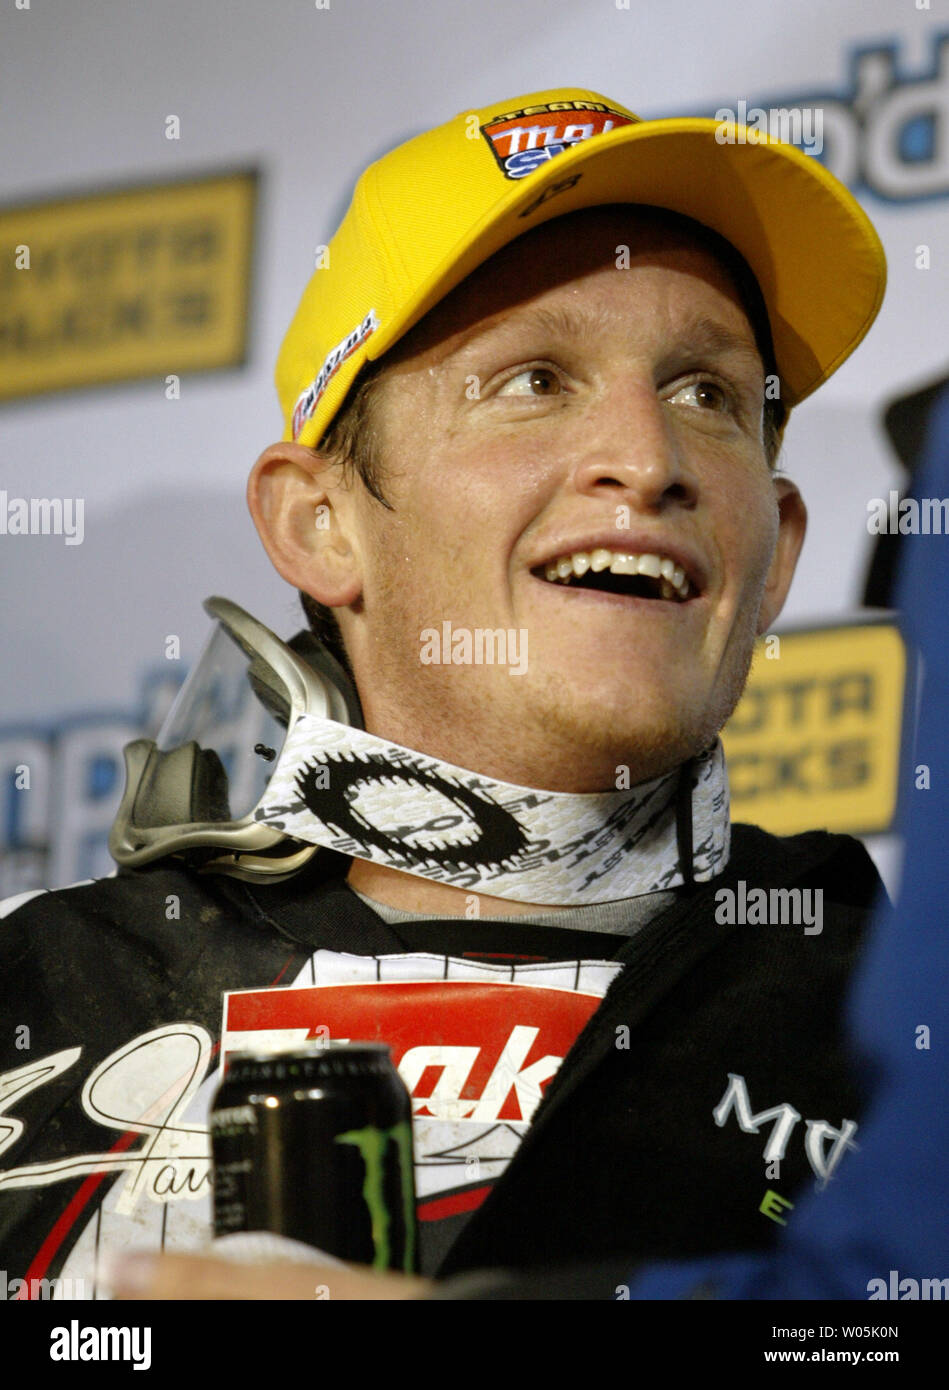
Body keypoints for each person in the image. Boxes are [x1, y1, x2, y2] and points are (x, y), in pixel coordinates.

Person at [0, 86, 888, 1301]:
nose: (649, 457)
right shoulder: (43, 985)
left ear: (776, 550)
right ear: (320, 525)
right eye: (532, 378)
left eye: (708, 395)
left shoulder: (889, 1018)